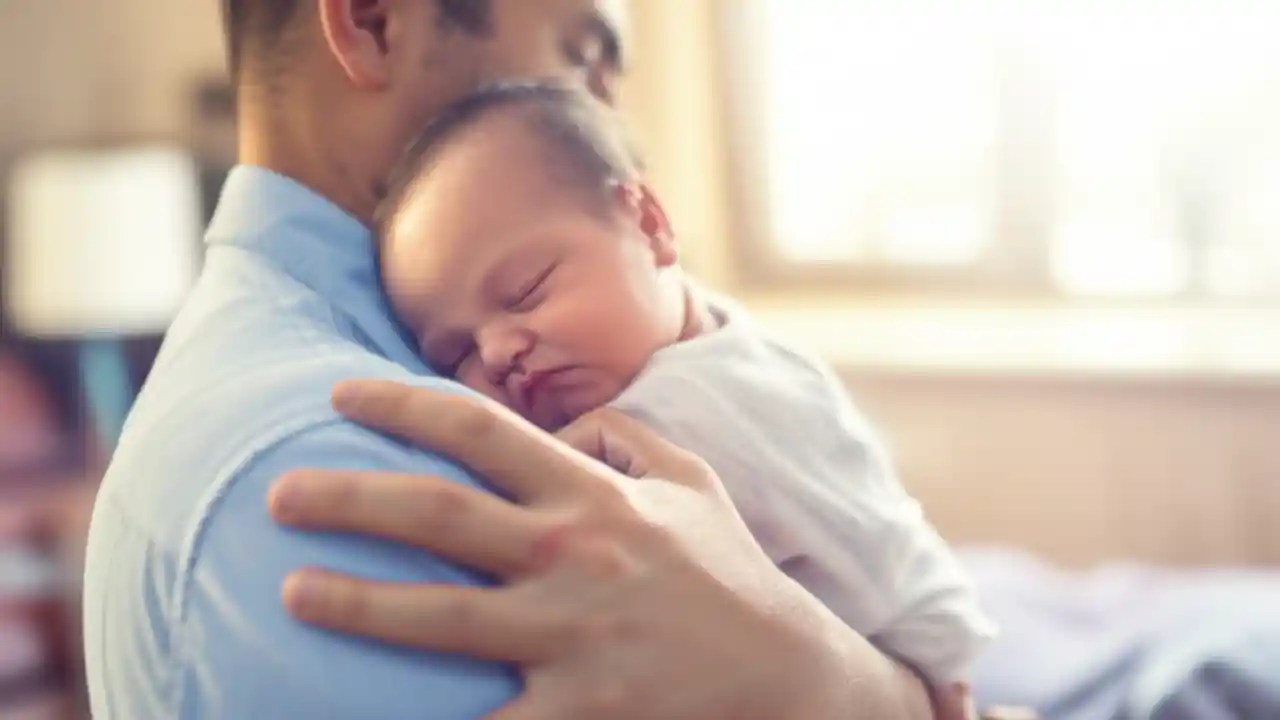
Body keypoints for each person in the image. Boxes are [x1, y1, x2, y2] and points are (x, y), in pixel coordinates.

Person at [81, 1, 961, 718]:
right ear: (375, 19)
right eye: (581, 56)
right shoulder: (327, 458)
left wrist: (825, 675)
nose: (608, 120)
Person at [371, 81, 994, 694]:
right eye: (456, 354)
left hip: (901, 653)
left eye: (527, 290)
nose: (499, 352)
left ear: (648, 224)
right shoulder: (712, 323)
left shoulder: (676, 412)